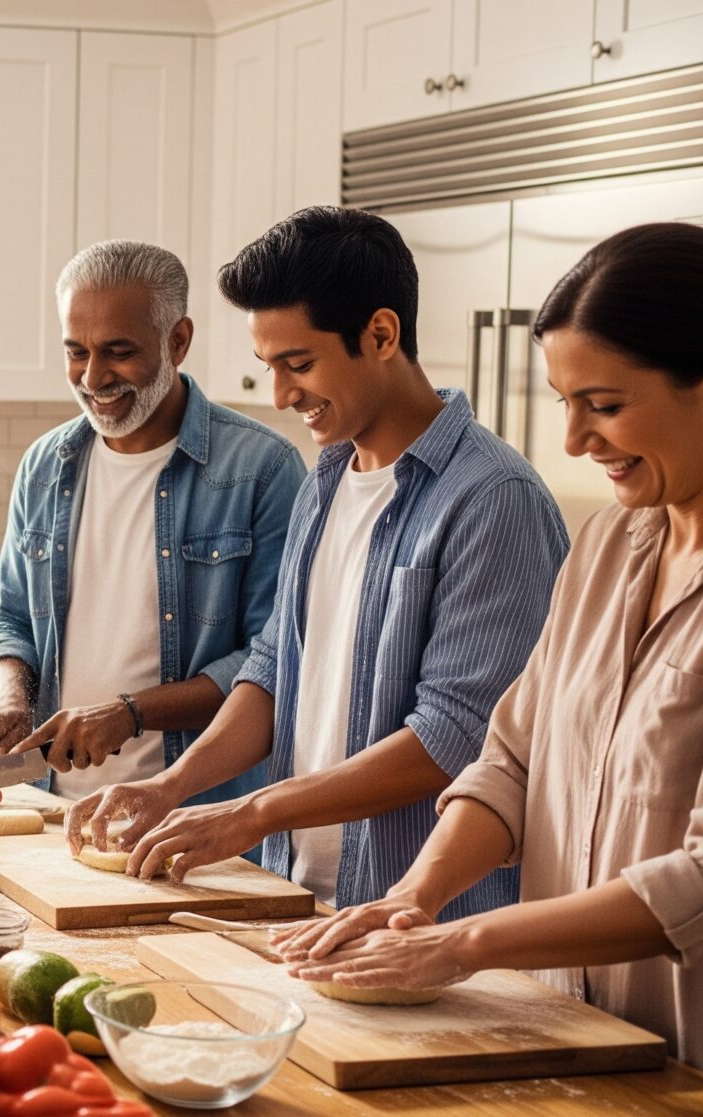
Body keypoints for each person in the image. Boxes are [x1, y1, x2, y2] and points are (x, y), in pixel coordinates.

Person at [274, 222, 703, 1109]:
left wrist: (462, 943)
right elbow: (509, 761)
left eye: (604, 403)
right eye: (562, 401)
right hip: (560, 1047)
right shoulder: (608, 547)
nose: (573, 438)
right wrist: (415, 896)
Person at [70, 207, 568, 920]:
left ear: (382, 334)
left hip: (420, 925)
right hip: (301, 903)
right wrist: (171, 785)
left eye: (298, 364)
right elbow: (276, 669)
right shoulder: (328, 477)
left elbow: (455, 738)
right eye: (268, 366)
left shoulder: (494, 499)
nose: (280, 394)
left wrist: (252, 812)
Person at [0, 240, 304, 802]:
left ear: (178, 341)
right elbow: (10, 618)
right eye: (77, 352)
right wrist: (9, 696)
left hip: (195, 819)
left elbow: (272, 660)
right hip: (57, 810)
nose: (93, 377)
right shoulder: (44, 466)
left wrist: (130, 714)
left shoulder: (263, 470)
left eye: (117, 352)